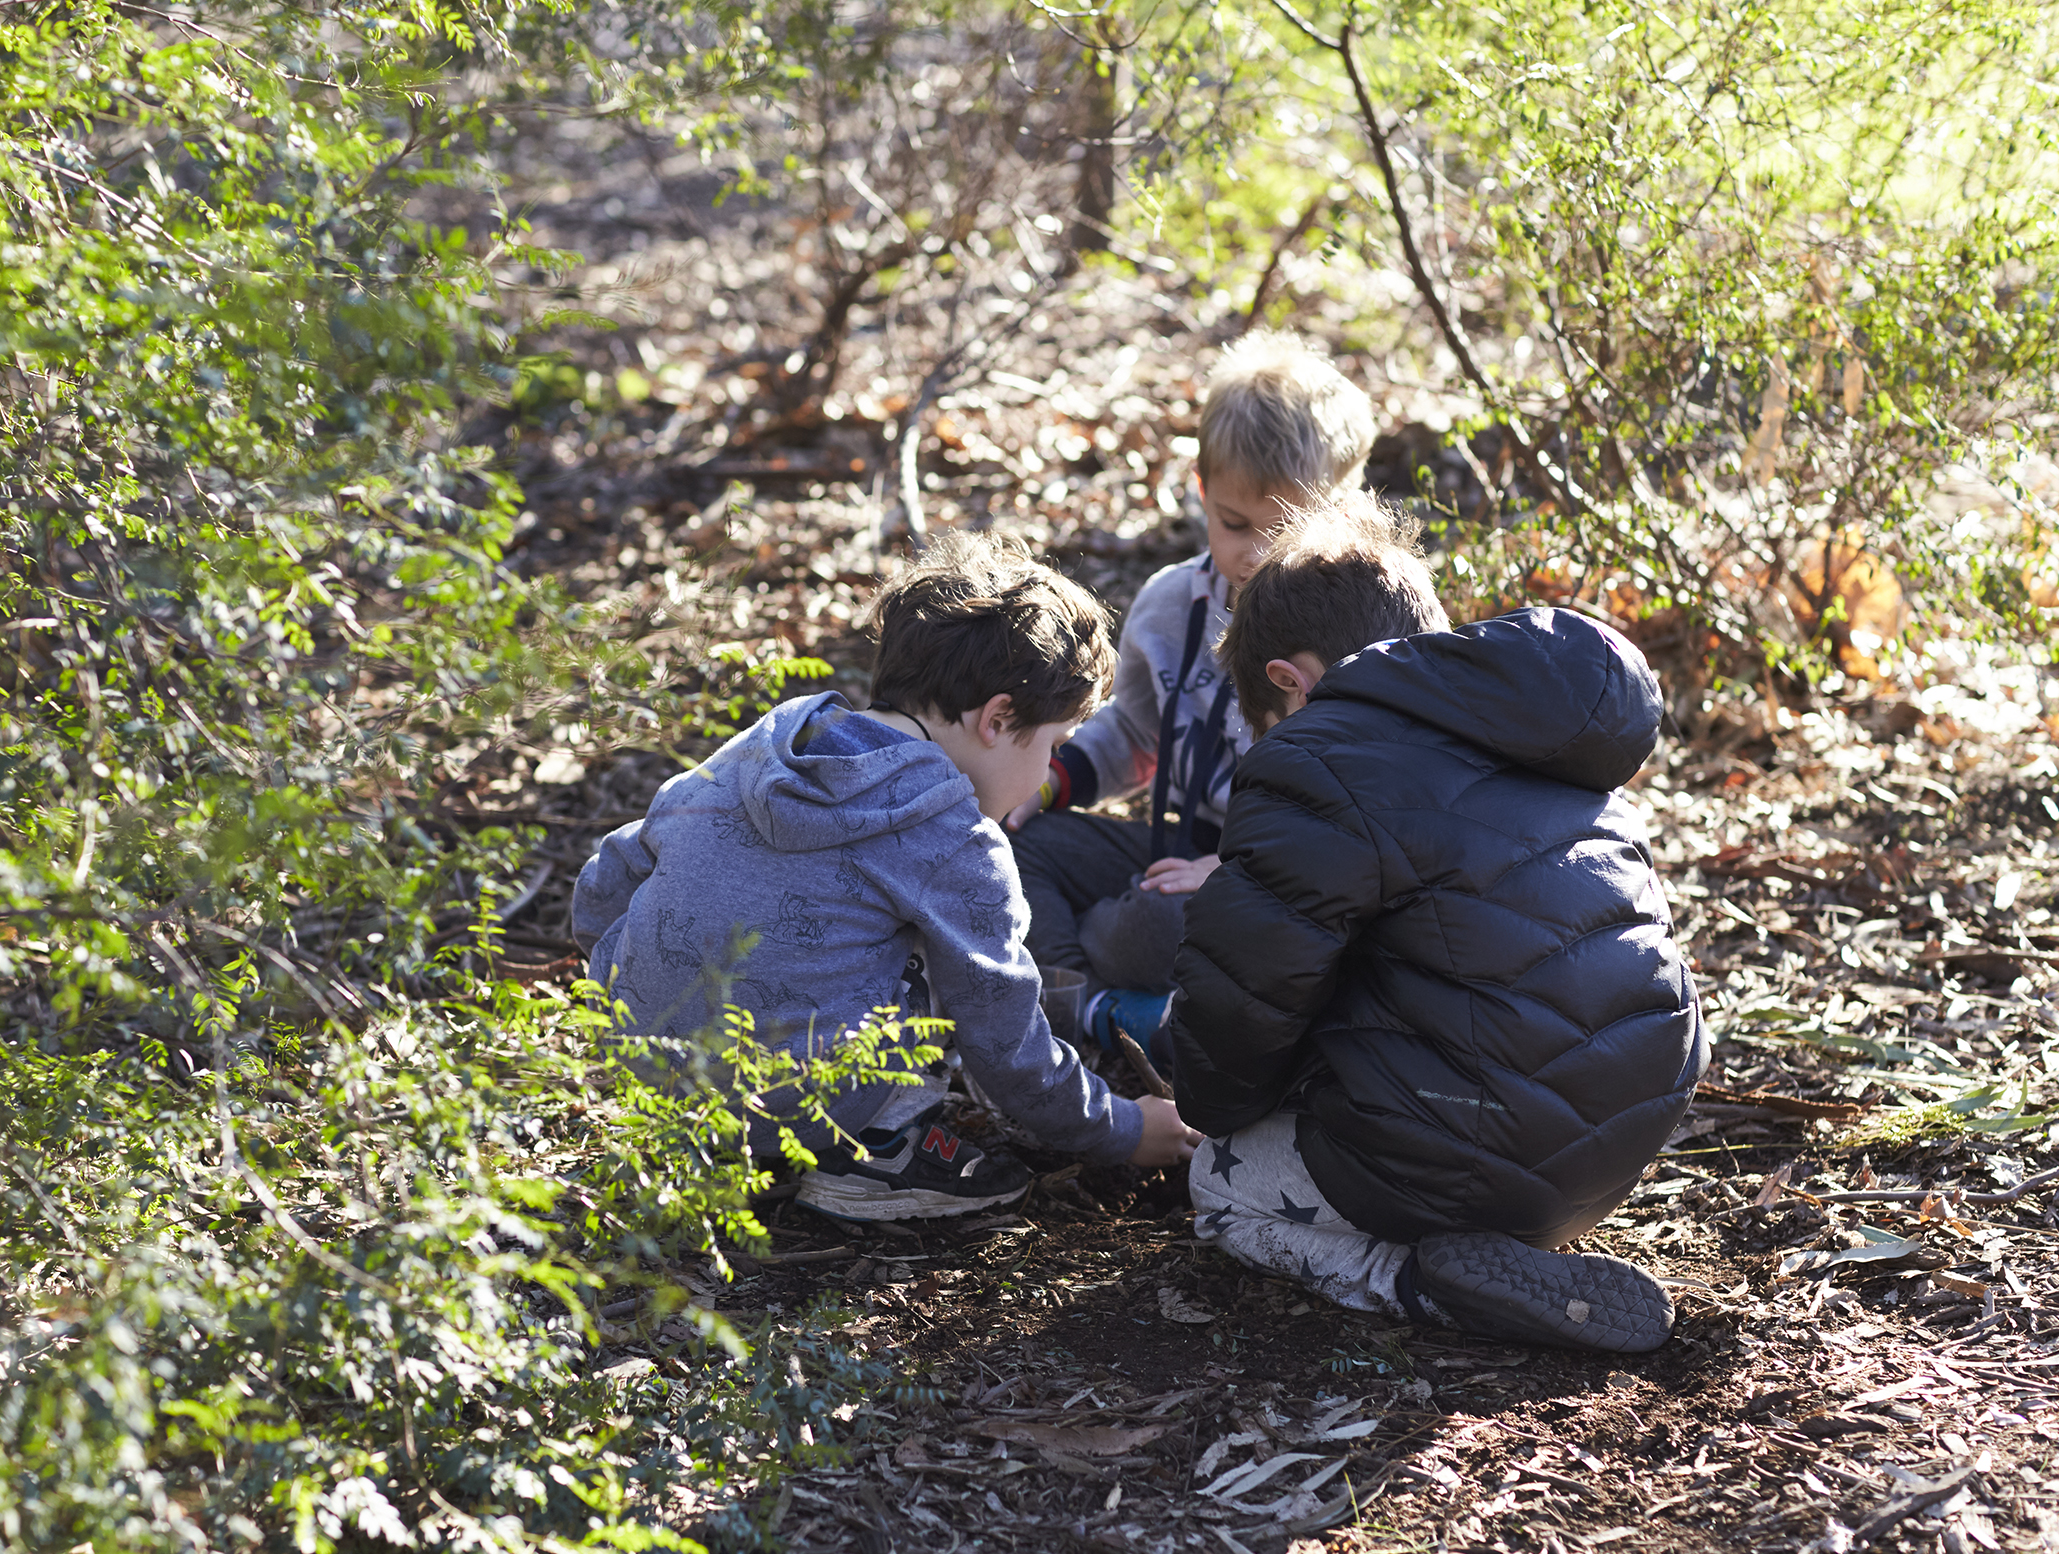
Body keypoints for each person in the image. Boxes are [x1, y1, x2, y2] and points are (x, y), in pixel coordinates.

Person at [1171, 503, 1705, 1353]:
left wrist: (1211, 1105)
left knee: (1222, 1183)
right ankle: (1503, 1240)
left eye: (1265, 719)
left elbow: (1248, 988)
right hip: (1618, 1140)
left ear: (1288, 682)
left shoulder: (1317, 753)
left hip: (1479, 1147)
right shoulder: (1543, 729)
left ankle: (1417, 1281)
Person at [571, 530, 1202, 1223]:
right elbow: (1003, 1035)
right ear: (997, 719)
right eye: (1053, 746)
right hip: (792, 1105)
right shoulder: (955, 839)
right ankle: (877, 1151)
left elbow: (608, 876)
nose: (1047, 770)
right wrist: (1120, 1127)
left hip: (644, 1071)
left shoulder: (760, 751)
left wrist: (636, 987)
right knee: (953, 957)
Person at [1004, 330, 1378, 1055]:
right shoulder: (1170, 605)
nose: (1255, 554)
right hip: (1178, 850)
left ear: (1345, 505)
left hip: (1291, 879)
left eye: (1287, 530)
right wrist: (1049, 781)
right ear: (1202, 488)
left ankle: (1126, 999)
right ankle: (1103, 1011)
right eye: (1235, 524)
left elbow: (1377, 805)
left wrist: (1247, 871)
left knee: (1154, 924)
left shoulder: (1366, 624)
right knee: (1019, 849)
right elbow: (1137, 734)